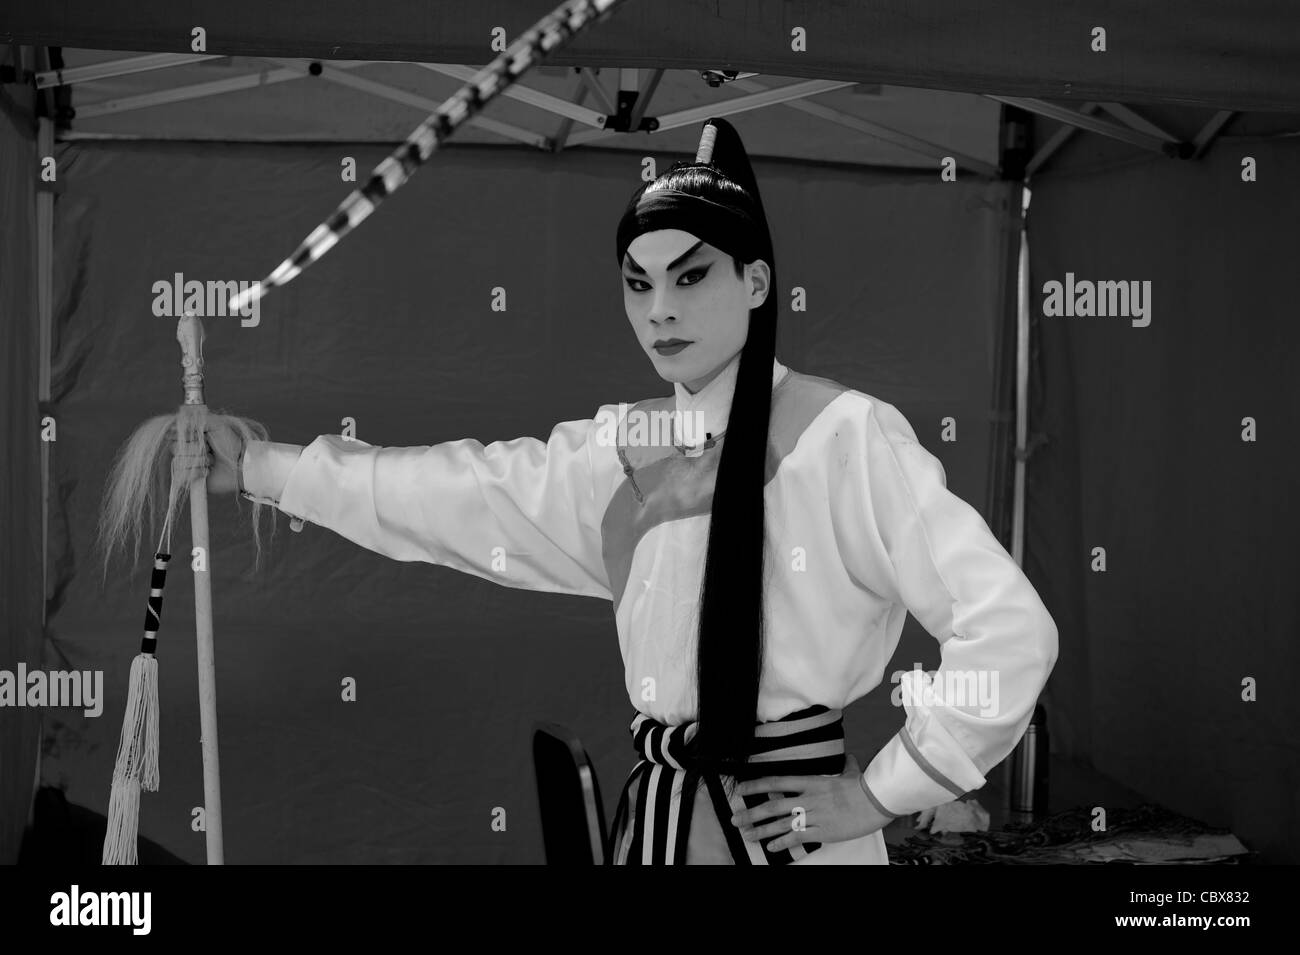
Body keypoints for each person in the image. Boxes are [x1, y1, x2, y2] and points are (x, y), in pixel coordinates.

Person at [203, 117, 1058, 865]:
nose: (660, 311)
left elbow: (1009, 632)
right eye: (638, 282)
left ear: (756, 283)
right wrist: (260, 468)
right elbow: (456, 494)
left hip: (801, 831)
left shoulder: (845, 435)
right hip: (662, 828)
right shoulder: (623, 447)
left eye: (691, 276)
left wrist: (881, 792)